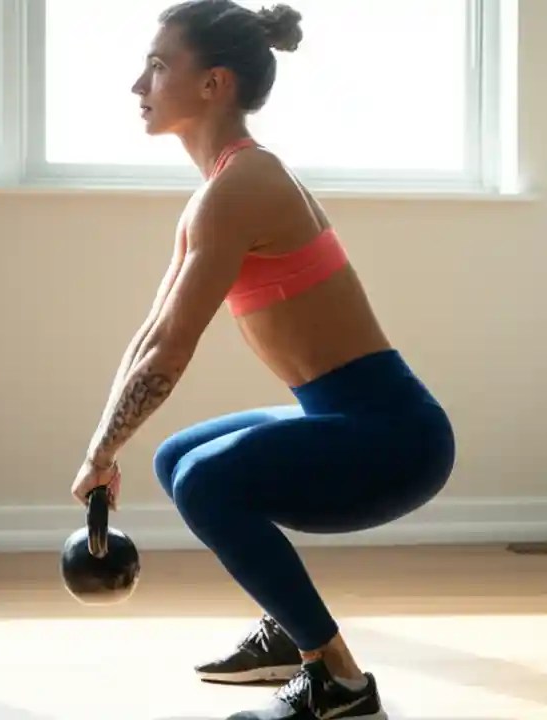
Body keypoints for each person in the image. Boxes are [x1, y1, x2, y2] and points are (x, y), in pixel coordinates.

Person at [69, 2, 456, 718]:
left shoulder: (242, 188)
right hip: (354, 418)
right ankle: (289, 629)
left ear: (213, 83)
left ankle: (339, 683)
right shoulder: (222, 189)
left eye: (158, 66)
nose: (139, 85)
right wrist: (103, 450)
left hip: (396, 440)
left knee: (207, 481)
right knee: (178, 458)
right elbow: (152, 334)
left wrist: (101, 453)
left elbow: (171, 351)